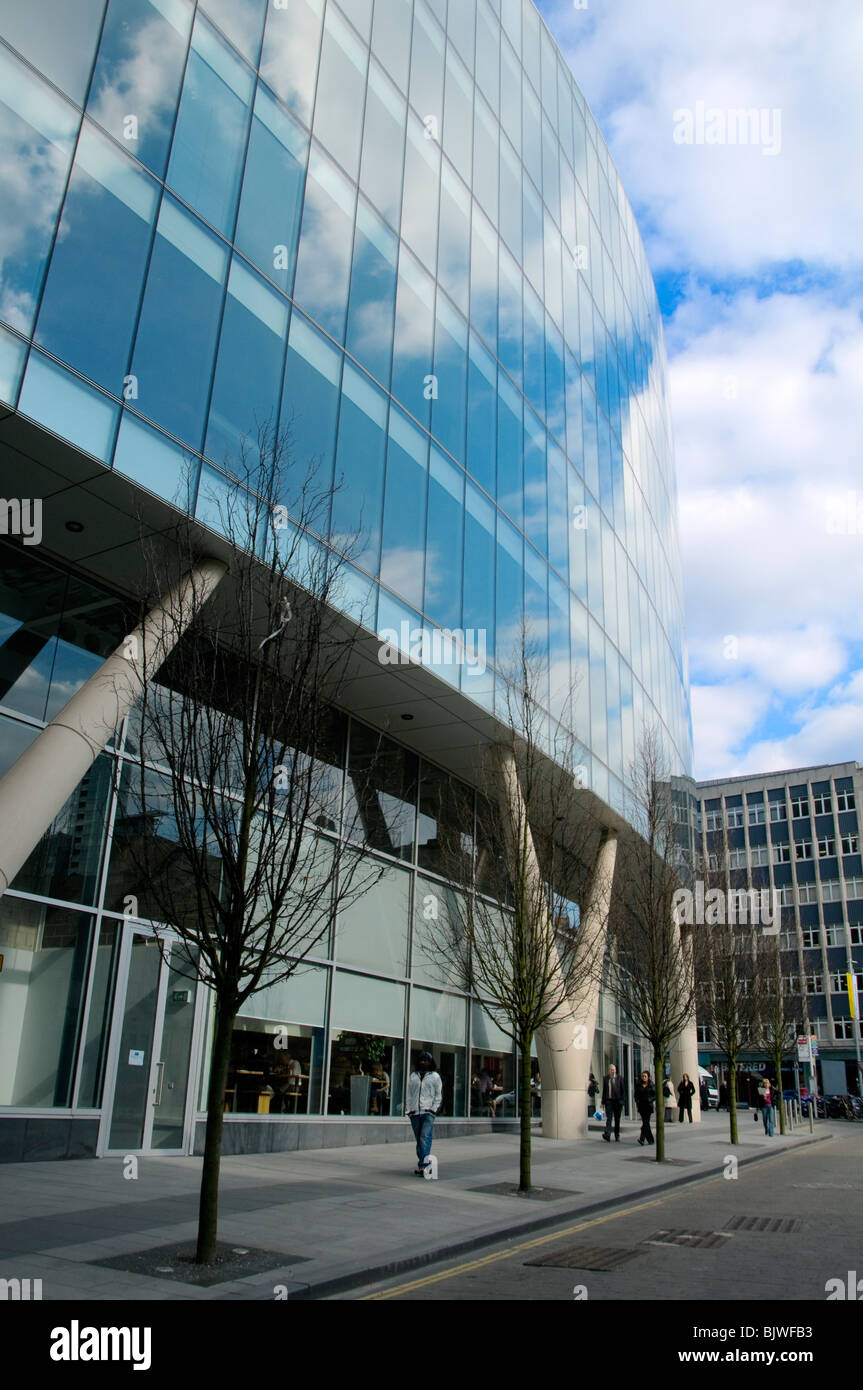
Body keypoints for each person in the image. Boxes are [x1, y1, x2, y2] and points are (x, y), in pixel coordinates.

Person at [406, 1051, 442, 1174]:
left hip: (428, 1112)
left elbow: (438, 1095)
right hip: (415, 1113)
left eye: (426, 1060)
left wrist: (434, 1109)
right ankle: (423, 1163)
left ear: (430, 1062)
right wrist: (409, 1110)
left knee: (424, 1138)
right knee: (419, 1141)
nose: (423, 1062)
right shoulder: (413, 1076)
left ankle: (425, 1165)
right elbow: (409, 1094)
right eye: (421, 1060)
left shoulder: (435, 1076)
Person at [601, 1063, 624, 1142]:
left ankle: (617, 1135)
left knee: (617, 1119)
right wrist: (602, 1102)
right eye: (611, 1070)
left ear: (615, 1070)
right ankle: (607, 1134)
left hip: (618, 1101)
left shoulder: (620, 1078)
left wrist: (622, 1101)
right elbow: (604, 1091)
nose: (613, 1071)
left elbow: (623, 1090)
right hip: (609, 1101)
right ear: (609, 1071)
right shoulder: (606, 1079)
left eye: (614, 1070)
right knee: (609, 1118)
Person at [634, 1070, 656, 1145]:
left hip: (648, 1106)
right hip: (641, 1106)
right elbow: (636, 1095)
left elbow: (655, 1095)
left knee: (646, 1123)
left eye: (645, 1076)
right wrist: (637, 1102)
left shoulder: (651, 1085)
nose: (643, 1078)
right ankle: (651, 1139)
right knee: (646, 1123)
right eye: (642, 1076)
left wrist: (650, 1099)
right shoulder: (638, 1085)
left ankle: (642, 1139)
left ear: (648, 1077)